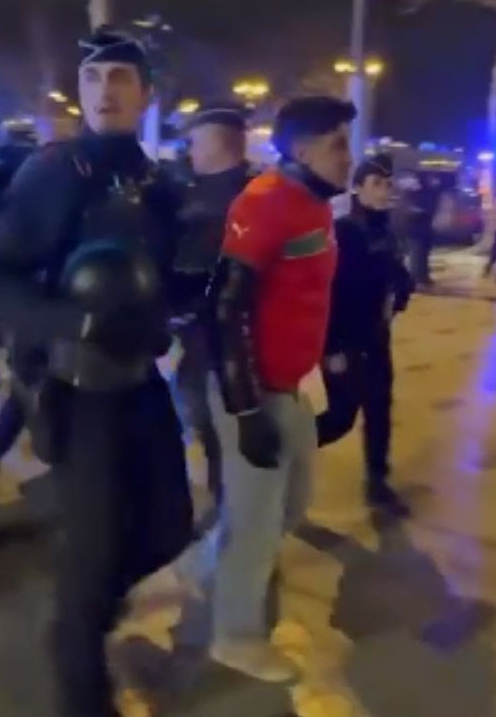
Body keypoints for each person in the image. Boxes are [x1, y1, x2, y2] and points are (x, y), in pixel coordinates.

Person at [0, 29, 194, 717]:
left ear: (147, 95)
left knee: (170, 527)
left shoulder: (158, 181)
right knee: (91, 555)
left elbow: (174, 280)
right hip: (74, 387)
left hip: (139, 378)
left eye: (122, 78)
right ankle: (79, 678)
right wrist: (72, 323)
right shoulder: (55, 171)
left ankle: (83, 615)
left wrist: (186, 301)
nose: (107, 91)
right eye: (94, 80)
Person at [180, 95, 354, 682]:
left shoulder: (316, 205)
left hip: (290, 386)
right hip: (251, 389)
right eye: (339, 144)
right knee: (255, 524)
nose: (349, 157)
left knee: (293, 502)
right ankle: (236, 636)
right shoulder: (265, 203)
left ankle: (208, 566)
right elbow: (225, 312)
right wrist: (245, 406)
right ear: (301, 148)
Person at [316, 154, 413, 516]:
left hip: (376, 338)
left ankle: (377, 481)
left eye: (387, 184)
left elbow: (398, 275)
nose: (384, 191)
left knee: (379, 409)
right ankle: (288, 455)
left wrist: (400, 295)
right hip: (344, 341)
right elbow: (326, 293)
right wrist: (330, 348)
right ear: (357, 189)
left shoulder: (384, 230)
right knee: (342, 415)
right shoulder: (344, 232)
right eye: (376, 184)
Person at [172, 100, 254, 516]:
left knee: (224, 423)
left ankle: (232, 510)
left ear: (219, 146)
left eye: (196, 143)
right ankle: (226, 498)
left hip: (228, 340)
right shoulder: (194, 190)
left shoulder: (249, 199)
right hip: (195, 333)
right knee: (197, 410)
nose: (191, 152)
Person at [0, 122, 41, 499]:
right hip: (39, 300)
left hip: (15, 297)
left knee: (22, 391)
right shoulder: (36, 178)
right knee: (30, 393)